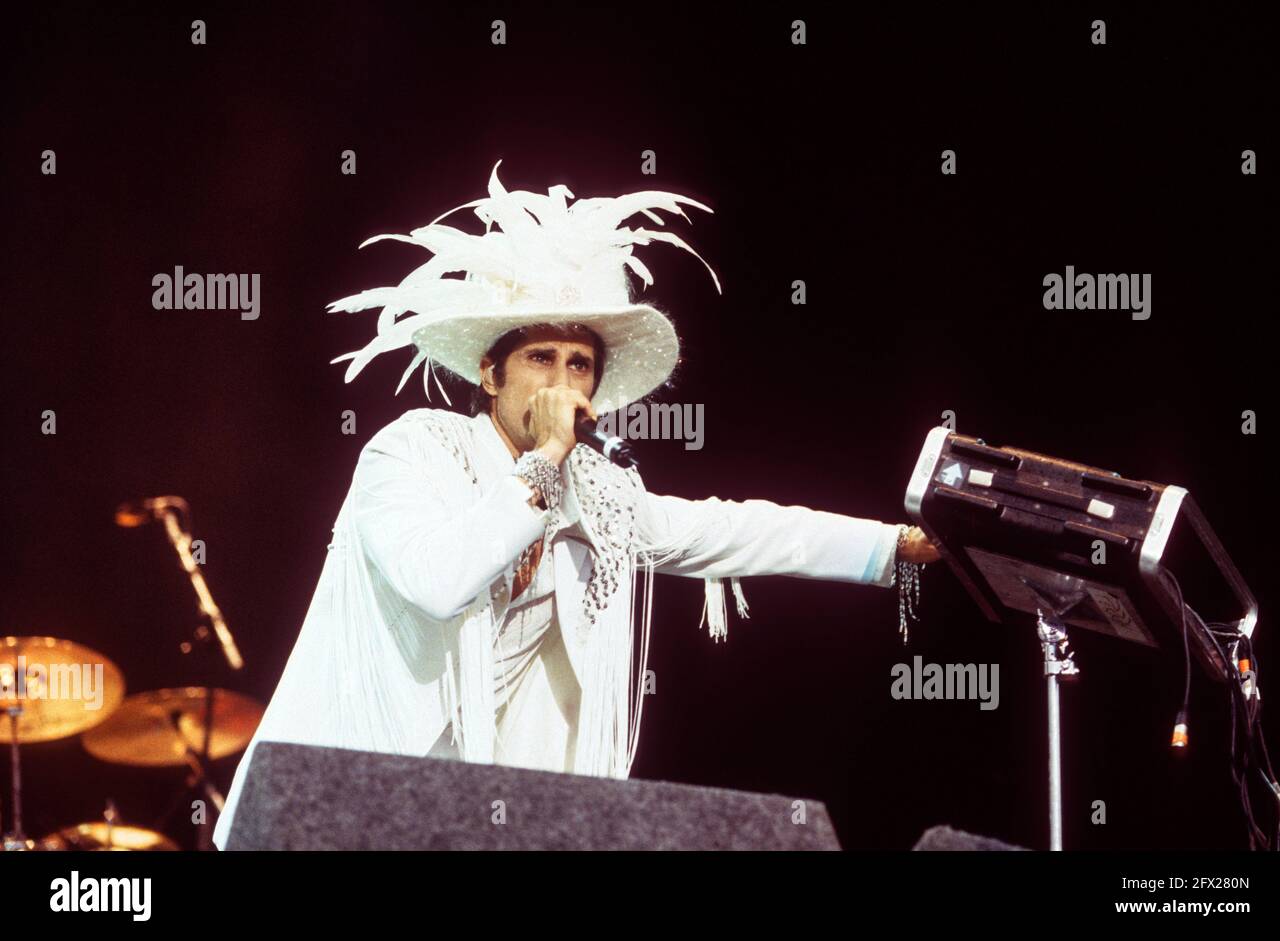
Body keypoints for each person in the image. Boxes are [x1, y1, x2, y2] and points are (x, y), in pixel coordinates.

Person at [211, 162, 939, 849]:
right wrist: (545, 462)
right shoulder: (411, 451)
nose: (562, 380)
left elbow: (731, 528)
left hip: (471, 812)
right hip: (339, 792)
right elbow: (437, 581)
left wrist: (893, 546)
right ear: (491, 373)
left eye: (580, 363)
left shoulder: (598, 494)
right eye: (540, 358)